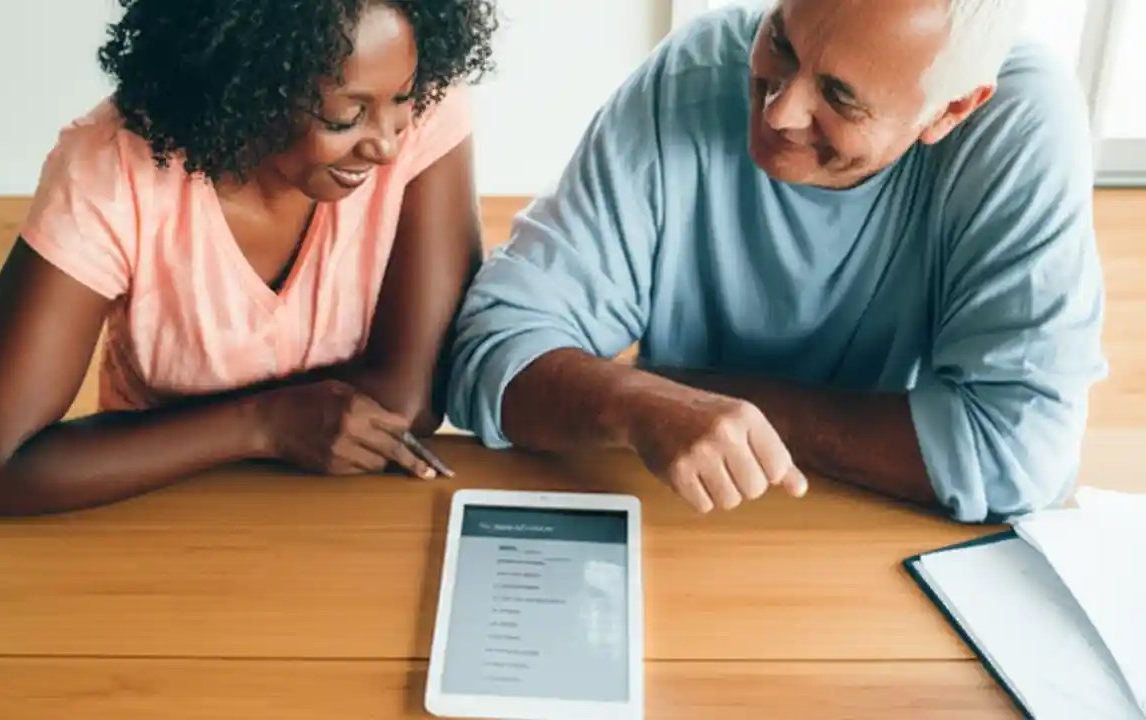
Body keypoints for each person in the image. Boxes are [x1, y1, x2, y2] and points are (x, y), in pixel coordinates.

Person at [448, 0, 1107, 523]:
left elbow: (1022, 455)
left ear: (952, 108)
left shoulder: (1024, 125)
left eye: (841, 96)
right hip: (673, 512)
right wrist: (641, 406)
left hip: (883, 530)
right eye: (782, 43)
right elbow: (489, 350)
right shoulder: (694, 73)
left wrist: (694, 401)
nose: (779, 109)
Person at [0, 0, 498, 516]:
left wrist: (189, 433)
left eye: (400, 101)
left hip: (351, 501)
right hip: (156, 507)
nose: (387, 145)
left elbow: (412, 399)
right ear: (248, 86)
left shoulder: (429, 109)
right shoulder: (113, 173)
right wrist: (263, 424)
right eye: (343, 119)